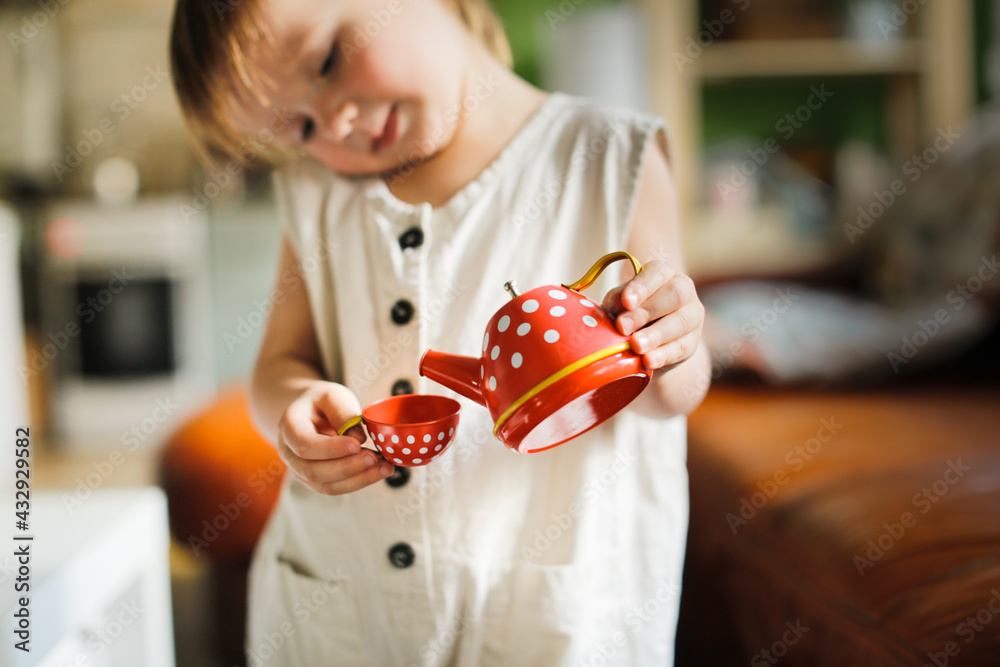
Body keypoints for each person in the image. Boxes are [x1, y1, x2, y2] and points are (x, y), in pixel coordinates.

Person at [169, 0, 710, 664]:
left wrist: (669, 340)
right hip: (347, 613)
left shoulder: (604, 157)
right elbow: (280, 359)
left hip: (551, 610)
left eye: (330, 59)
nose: (335, 122)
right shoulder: (318, 194)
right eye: (300, 125)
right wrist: (291, 408)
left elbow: (672, 392)